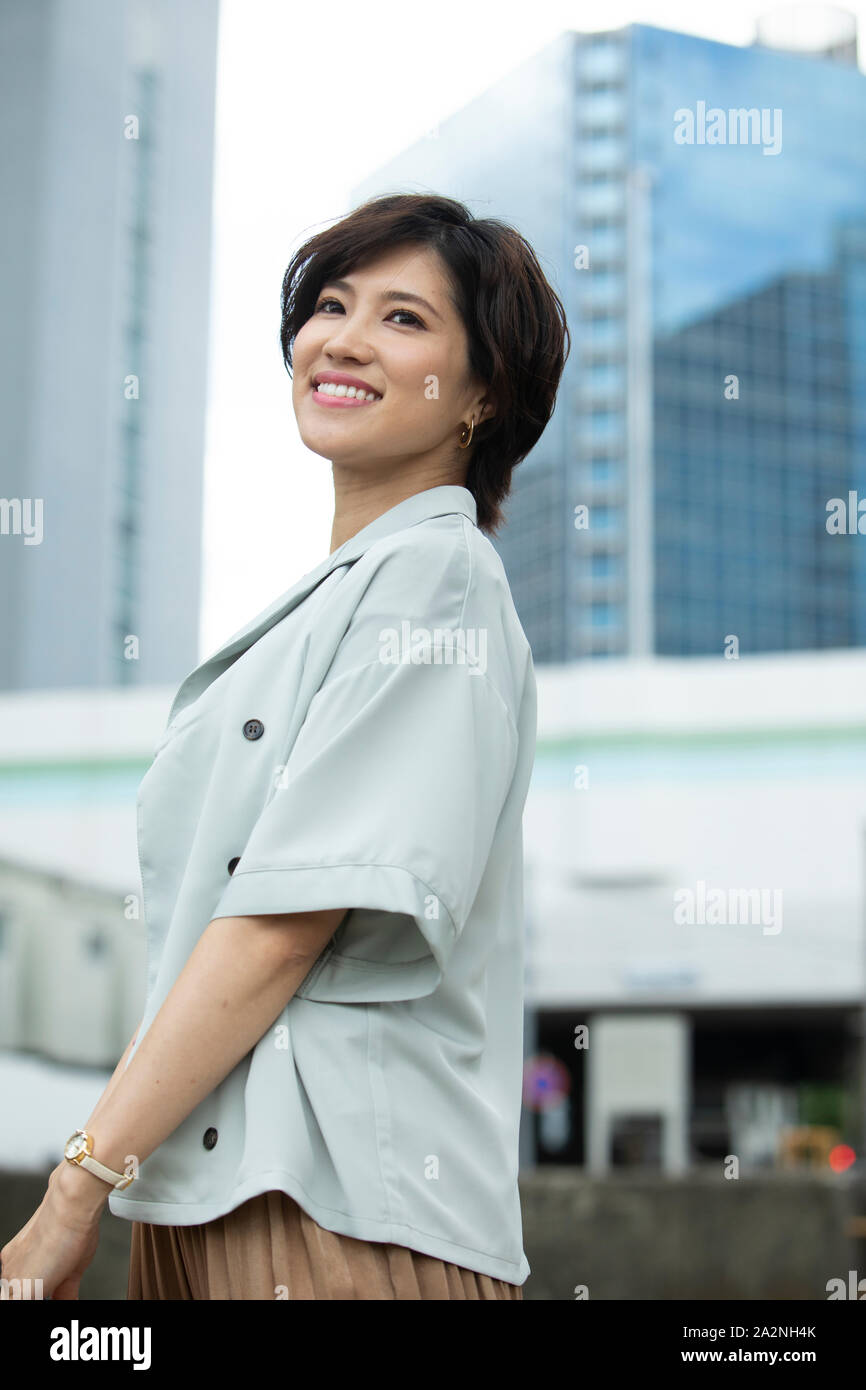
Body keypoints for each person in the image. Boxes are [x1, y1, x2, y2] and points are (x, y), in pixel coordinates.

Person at [1, 192, 569, 1300]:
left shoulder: (435, 581)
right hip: (205, 1194)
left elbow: (275, 932)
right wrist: (104, 1177)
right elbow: (200, 953)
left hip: (335, 1209)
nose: (342, 338)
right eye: (329, 304)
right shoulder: (329, 605)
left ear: (484, 391)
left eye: (404, 319)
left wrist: (73, 1189)